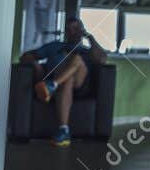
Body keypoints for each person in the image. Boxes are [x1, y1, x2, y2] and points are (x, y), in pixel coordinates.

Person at [19, 17, 107, 147]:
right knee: (67, 80)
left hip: (80, 85)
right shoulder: (55, 46)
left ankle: (52, 85)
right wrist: (36, 65)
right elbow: (25, 56)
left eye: (76, 28)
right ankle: (64, 130)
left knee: (76, 58)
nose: (72, 32)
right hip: (61, 82)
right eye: (69, 29)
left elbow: (102, 60)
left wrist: (90, 38)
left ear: (82, 30)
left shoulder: (86, 50)